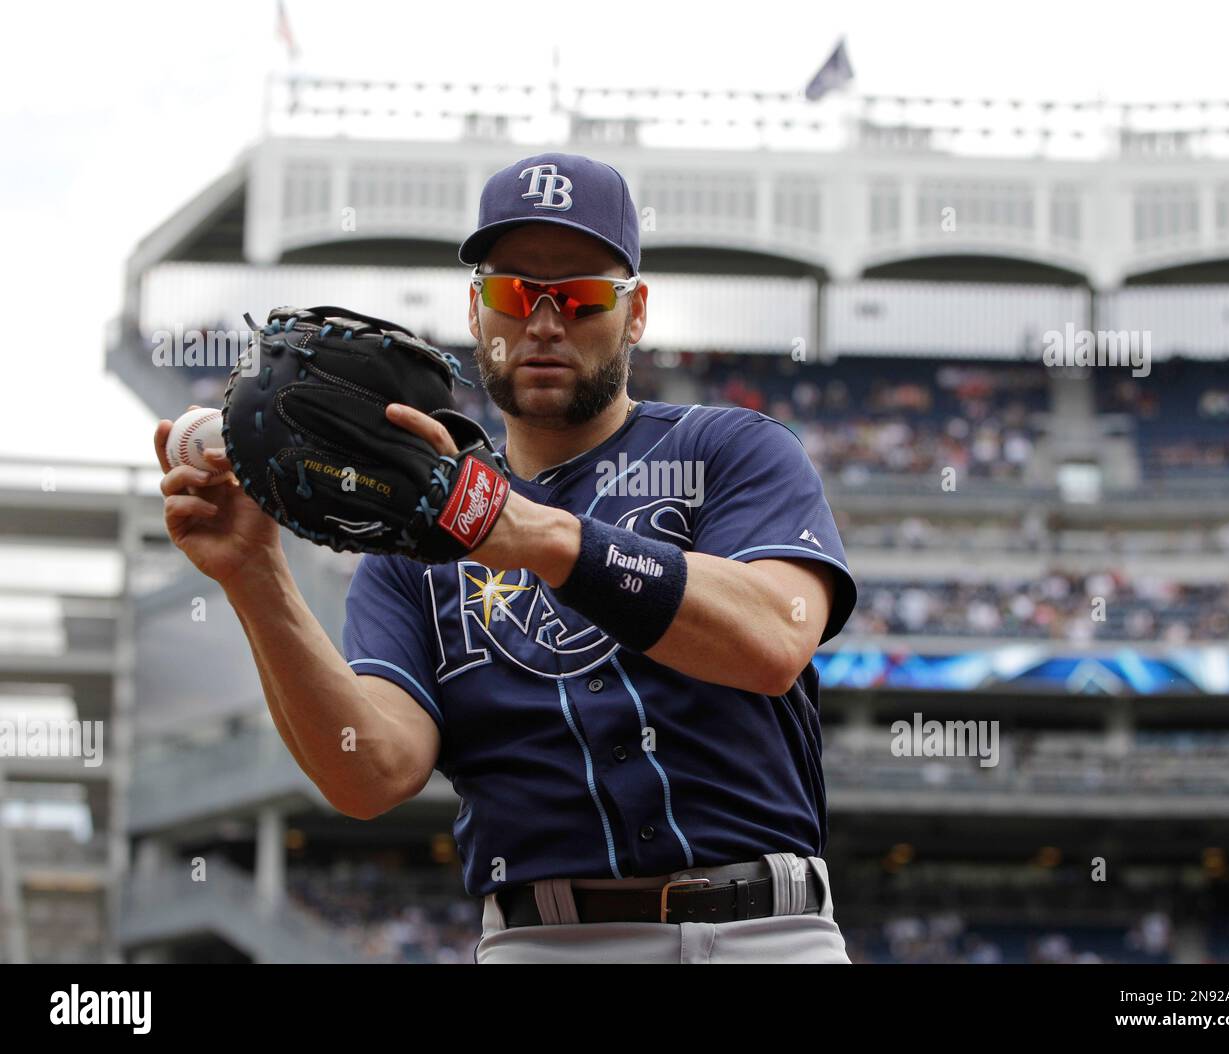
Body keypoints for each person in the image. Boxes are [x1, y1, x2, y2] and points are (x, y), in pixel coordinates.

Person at [154, 151, 858, 964]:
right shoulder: (409, 543)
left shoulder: (731, 449)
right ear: (477, 309)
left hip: (765, 932)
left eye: (583, 296)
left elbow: (775, 640)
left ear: (635, 314)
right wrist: (254, 578)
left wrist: (533, 534)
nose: (545, 322)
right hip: (542, 941)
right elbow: (370, 774)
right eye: (514, 293)